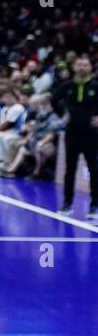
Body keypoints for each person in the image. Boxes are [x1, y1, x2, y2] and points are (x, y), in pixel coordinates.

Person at [57, 55, 98, 219]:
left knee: (94, 169)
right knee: (70, 169)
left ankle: (94, 205)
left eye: (85, 65)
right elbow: (53, 98)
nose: (82, 68)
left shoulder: (95, 86)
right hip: (72, 132)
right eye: (79, 65)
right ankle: (67, 204)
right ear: (74, 67)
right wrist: (62, 113)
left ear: (90, 68)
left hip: (92, 133)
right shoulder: (67, 86)